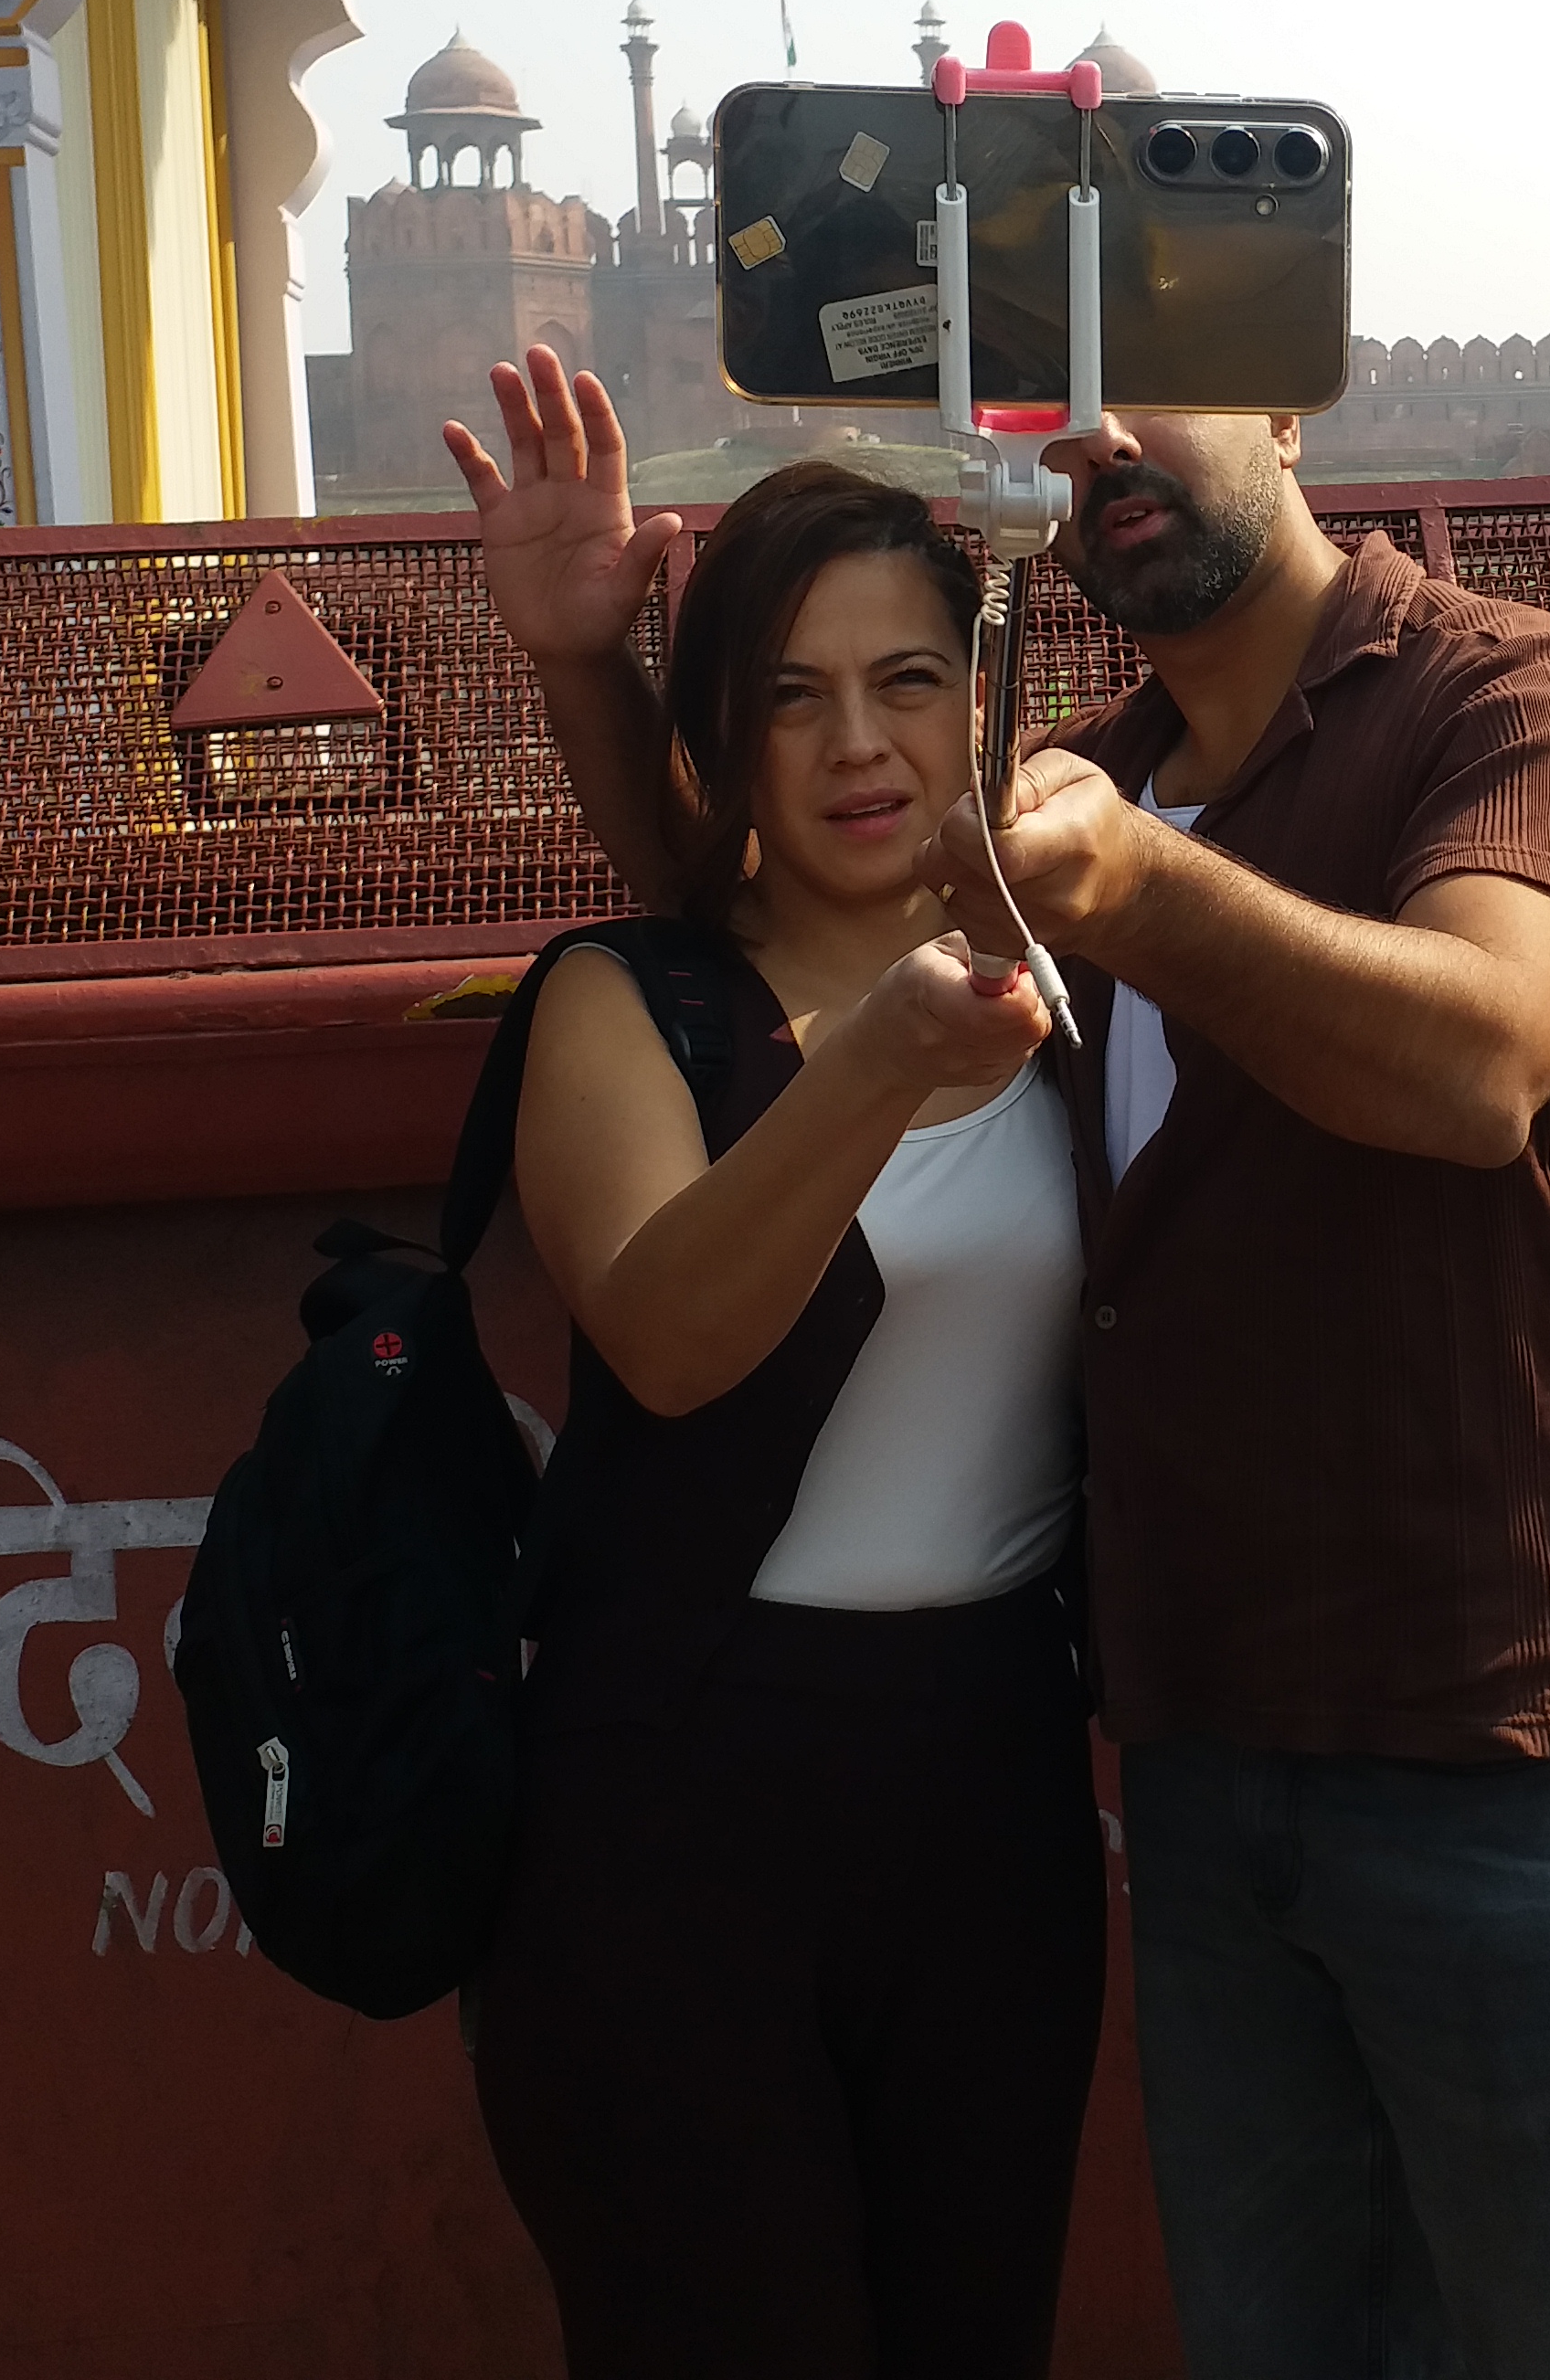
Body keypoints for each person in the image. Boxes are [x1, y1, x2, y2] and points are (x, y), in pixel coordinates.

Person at [458, 349, 1550, 2380]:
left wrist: (1136, 888)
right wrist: (590, 674)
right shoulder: (1066, 814)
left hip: (1501, 1729)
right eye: (1062, 403)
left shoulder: (1505, 707)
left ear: (1298, 402)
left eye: (1169, 378)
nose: (1108, 443)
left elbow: (1491, 1062)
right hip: (1186, 1755)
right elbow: (770, 899)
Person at [450, 432, 1103, 2380]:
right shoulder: (625, 1005)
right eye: (792, 698)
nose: (858, 747)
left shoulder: (1077, 990)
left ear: (982, 701)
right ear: (724, 736)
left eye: (908, 681)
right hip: (678, 1784)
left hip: (989, 1769)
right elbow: (668, 1331)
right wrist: (879, 1059)